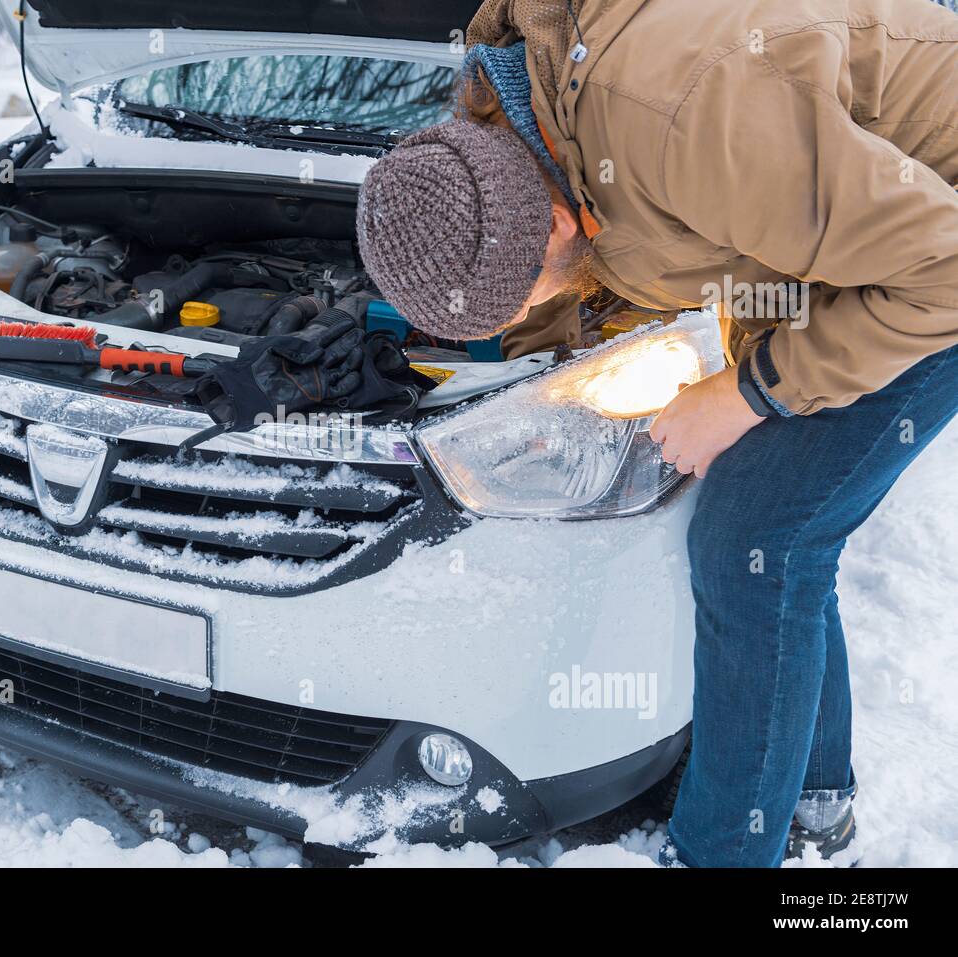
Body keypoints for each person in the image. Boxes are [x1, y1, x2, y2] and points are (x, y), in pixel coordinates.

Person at [355, 0, 958, 867]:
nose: (528, 311)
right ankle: (814, 801)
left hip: (934, 252)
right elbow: (592, 279)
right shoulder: (499, 138)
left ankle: (723, 854)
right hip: (853, 228)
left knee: (757, 536)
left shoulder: (686, 125)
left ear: (556, 223)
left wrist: (750, 392)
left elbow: (940, 267)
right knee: (778, 529)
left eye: (521, 298)